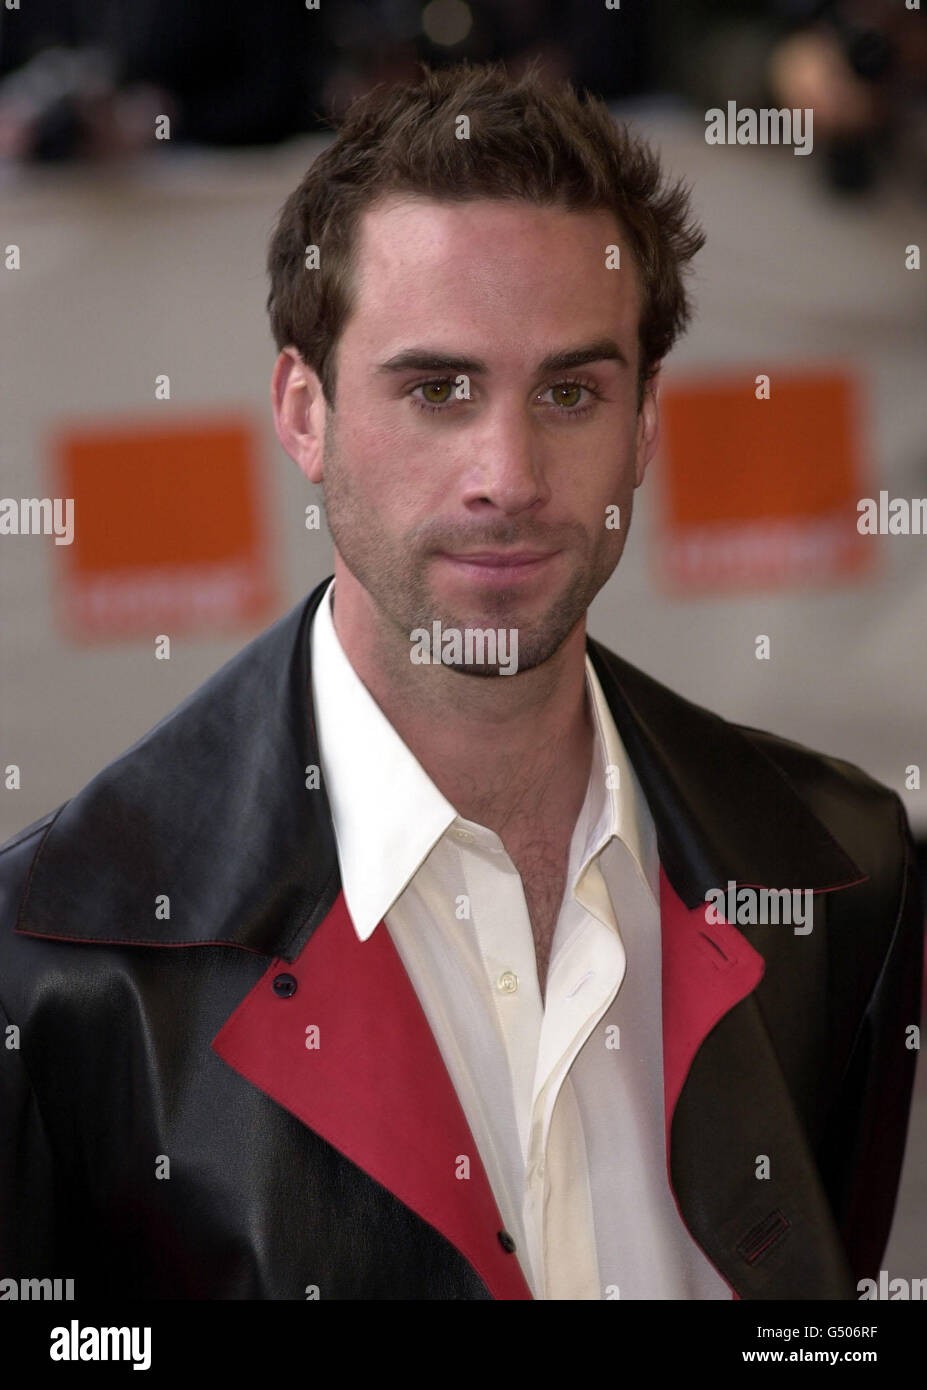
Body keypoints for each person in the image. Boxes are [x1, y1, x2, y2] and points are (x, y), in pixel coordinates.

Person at [0, 61, 921, 1302]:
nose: (509, 472)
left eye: (570, 391)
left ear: (646, 422)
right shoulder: (59, 954)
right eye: (437, 388)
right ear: (304, 409)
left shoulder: (839, 866)